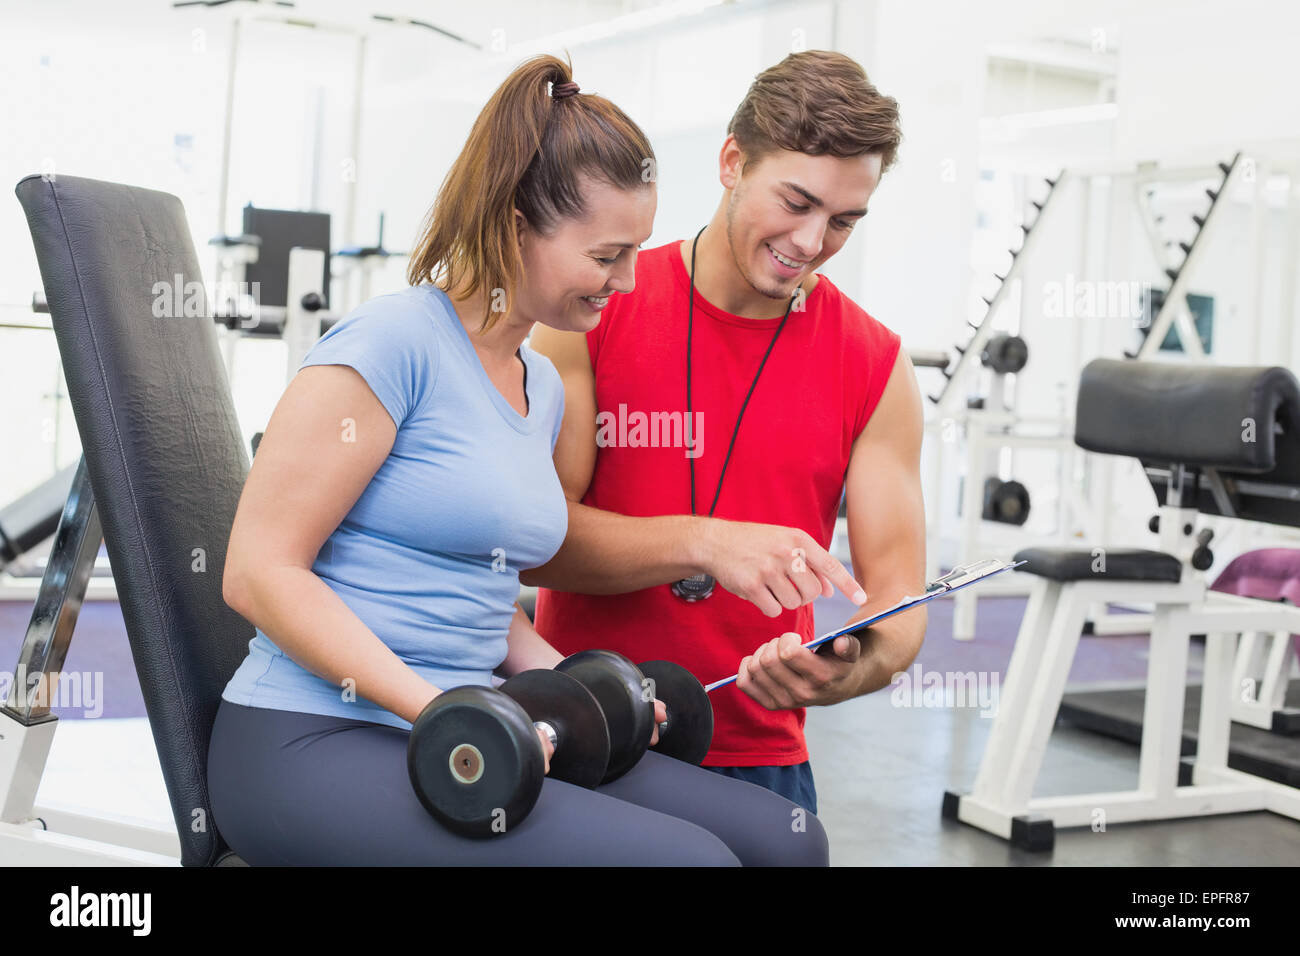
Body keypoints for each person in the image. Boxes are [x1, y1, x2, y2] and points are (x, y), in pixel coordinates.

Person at [207, 53, 829, 866]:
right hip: (311, 738)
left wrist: (590, 690)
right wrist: (445, 711)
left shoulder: (538, 382)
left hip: (464, 726)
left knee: (781, 842)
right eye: (607, 257)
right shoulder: (391, 345)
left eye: (636, 253)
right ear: (513, 226)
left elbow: (479, 593)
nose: (630, 282)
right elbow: (257, 573)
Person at [526, 50, 926, 815]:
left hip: (759, 752)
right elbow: (538, 544)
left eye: (843, 220)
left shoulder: (875, 364)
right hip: (588, 729)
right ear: (732, 161)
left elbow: (901, 600)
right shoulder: (596, 310)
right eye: (797, 202)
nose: (812, 242)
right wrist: (707, 542)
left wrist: (849, 671)